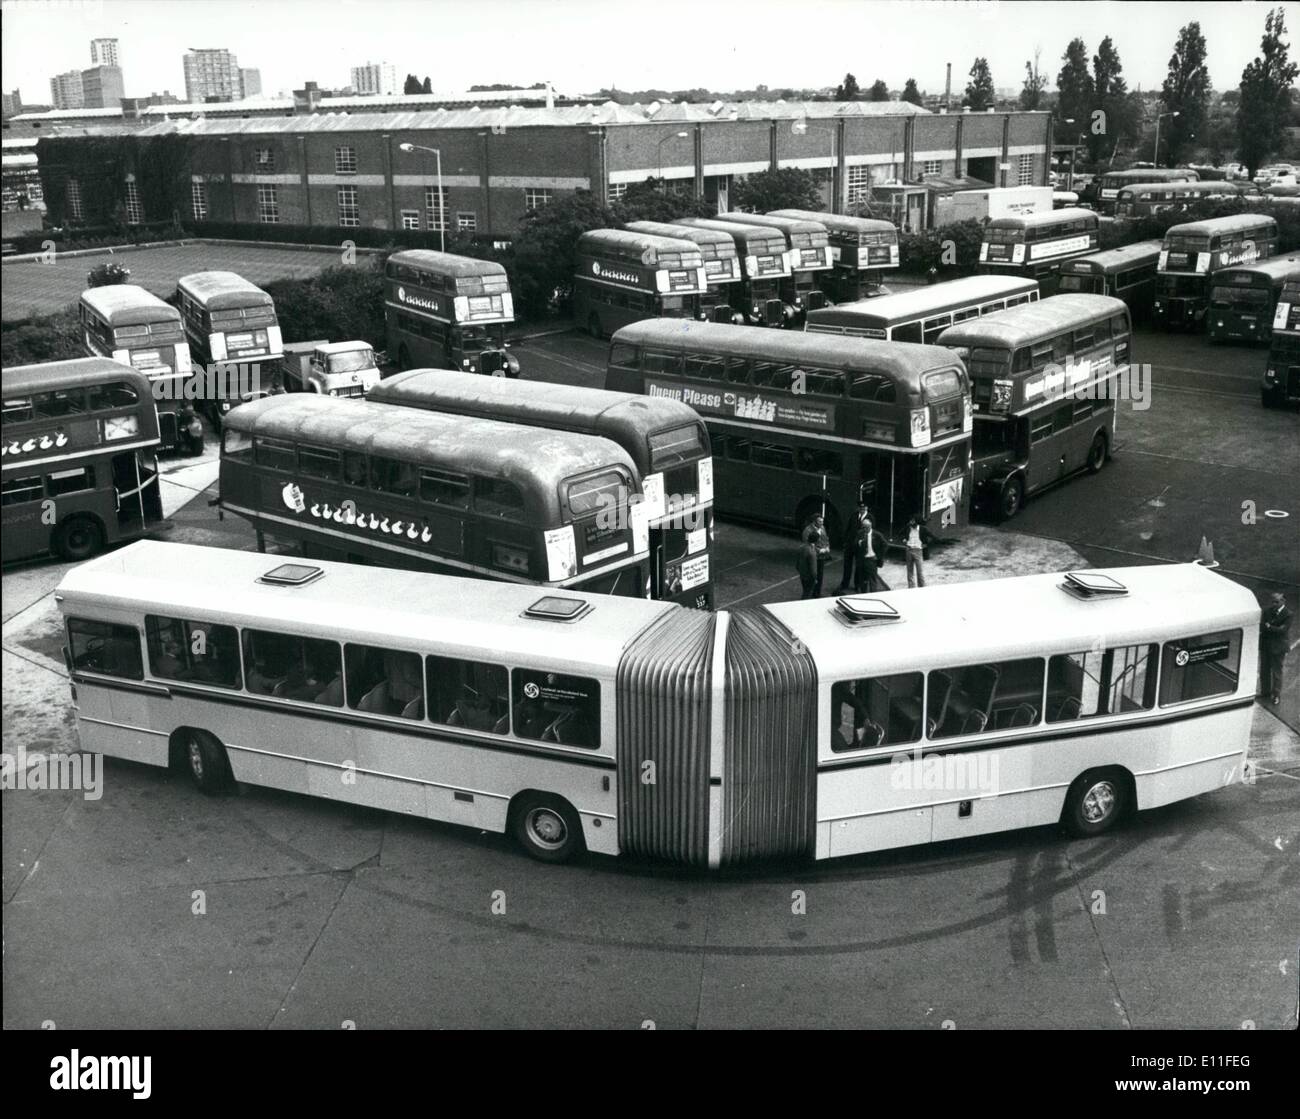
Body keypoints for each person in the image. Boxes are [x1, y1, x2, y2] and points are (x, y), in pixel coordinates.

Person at [1260, 592, 1292, 706]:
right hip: (1266, 646)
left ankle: (1276, 695)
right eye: (1273, 601)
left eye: (1276, 602)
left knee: (1276, 672)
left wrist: (1270, 627)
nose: (1274, 604)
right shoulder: (1267, 611)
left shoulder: (1288, 614)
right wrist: (1272, 628)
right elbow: (1263, 625)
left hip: (1278, 648)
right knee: (1264, 670)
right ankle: (1265, 692)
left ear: (1283, 601)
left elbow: (1282, 630)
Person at [837, 501, 869, 593]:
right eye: (860, 508)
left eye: (864, 508)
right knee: (847, 565)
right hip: (850, 544)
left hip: (860, 546)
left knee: (859, 566)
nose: (862, 510)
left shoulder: (870, 518)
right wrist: (845, 542)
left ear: (866, 508)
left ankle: (857, 584)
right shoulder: (854, 515)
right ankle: (844, 583)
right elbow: (848, 528)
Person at [855, 516, 889, 593]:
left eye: (866, 527)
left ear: (870, 526)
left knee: (872, 580)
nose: (864, 529)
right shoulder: (860, 533)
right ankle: (863, 595)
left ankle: (873, 594)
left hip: (872, 560)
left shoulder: (877, 535)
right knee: (863, 581)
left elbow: (885, 545)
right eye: (863, 527)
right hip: (862, 560)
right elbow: (854, 545)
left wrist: (879, 556)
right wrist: (858, 543)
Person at [806, 513, 832, 597]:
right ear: (814, 522)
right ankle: (809, 593)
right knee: (812, 575)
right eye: (820, 522)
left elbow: (826, 538)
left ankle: (817, 592)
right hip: (813, 556)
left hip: (821, 557)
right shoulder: (808, 531)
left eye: (822, 521)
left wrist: (827, 546)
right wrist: (820, 550)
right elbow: (808, 544)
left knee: (820, 575)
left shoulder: (822, 528)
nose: (822, 523)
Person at [905, 515, 927, 588]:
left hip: (918, 551)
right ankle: (911, 588)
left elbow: (931, 536)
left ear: (917, 522)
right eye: (911, 521)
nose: (911, 522)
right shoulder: (908, 528)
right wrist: (904, 539)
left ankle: (922, 588)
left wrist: (925, 545)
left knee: (920, 572)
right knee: (909, 572)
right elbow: (900, 533)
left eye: (913, 521)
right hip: (909, 550)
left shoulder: (923, 529)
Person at [795, 534, 819, 599]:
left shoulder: (801, 547)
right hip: (809, 577)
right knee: (807, 594)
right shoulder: (812, 552)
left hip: (802, 574)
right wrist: (815, 578)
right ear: (816, 541)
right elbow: (813, 568)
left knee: (805, 591)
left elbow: (797, 563)